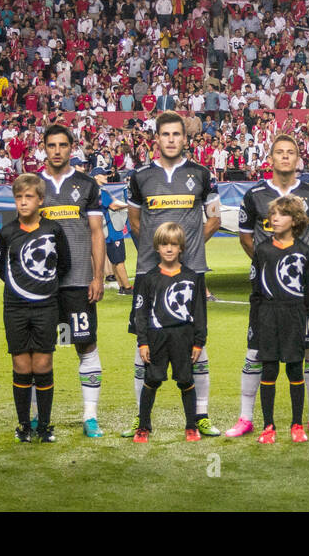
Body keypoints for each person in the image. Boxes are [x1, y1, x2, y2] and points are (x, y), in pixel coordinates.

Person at [126, 112, 222, 436]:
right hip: (148, 273)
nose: (170, 139)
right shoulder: (140, 176)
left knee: (197, 342)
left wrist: (187, 250)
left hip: (191, 271)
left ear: (185, 138)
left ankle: (202, 415)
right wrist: (154, 254)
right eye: (165, 134)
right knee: (143, 344)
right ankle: (141, 419)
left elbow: (214, 219)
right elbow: (135, 223)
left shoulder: (202, 174)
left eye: (176, 134)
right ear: (157, 138)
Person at [228, 134, 309, 437]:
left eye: (291, 153)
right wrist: (269, 262)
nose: (285, 157)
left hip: (299, 295)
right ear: (270, 158)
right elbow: (246, 237)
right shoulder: (255, 194)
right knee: (256, 353)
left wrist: (295, 262)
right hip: (267, 295)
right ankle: (247, 417)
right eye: (279, 152)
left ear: (298, 159)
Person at [37, 125, 107, 438]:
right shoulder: (33, 185)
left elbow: (96, 232)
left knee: (85, 344)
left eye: (62, 145)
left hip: (79, 280)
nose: (57, 150)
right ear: (43, 148)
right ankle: (40, 416)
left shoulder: (86, 184)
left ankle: (90, 417)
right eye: (51, 145)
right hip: (42, 284)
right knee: (42, 350)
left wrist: (98, 275)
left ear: (71, 147)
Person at [0, 174, 72, 443]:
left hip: (46, 307)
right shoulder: (6, 233)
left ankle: (45, 425)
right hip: (14, 307)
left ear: (40, 200)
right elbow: (0, 268)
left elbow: (64, 265)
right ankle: (24, 425)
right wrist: (22, 288)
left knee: (43, 363)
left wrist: (42, 287)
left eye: (29, 197)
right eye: (19, 197)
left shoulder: (53, 230)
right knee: (21, 365)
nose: (23, 202)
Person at [248, 195, 309, 443]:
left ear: (295, 220)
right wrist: (254, 327)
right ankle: (269, 427)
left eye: (282, 214)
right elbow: (255, 293)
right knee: (268, 370)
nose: (275, 218)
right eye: (273, 214)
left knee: (295, 369)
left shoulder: (304, 251)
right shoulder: (263, 249)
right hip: (268, 315)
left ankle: (297, 425)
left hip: (294, 315)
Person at [133, 222, 207, 442]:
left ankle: (191, 426)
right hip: (156, 337)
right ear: (157, 247)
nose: (168, 249)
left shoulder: (193, 278)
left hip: (183, 336)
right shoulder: (149, 278)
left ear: (181, 248)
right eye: (164, 244)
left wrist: (198, 342)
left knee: (185, 380)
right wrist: (143, 342)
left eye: (173, 244)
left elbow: (200, 312)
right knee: (153, 379)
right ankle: (143, 426)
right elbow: (141, 313)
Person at [93, 169, 131, 293]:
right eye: (103, 174)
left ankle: (121, 287)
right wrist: (129, 205)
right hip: (112, 229)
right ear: (96, 177)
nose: (106, 176)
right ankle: (127, 287)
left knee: (114, 260)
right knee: (119, 260)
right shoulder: (100, 191)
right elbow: (114, 205)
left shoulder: (96, 191)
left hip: (106, 230)